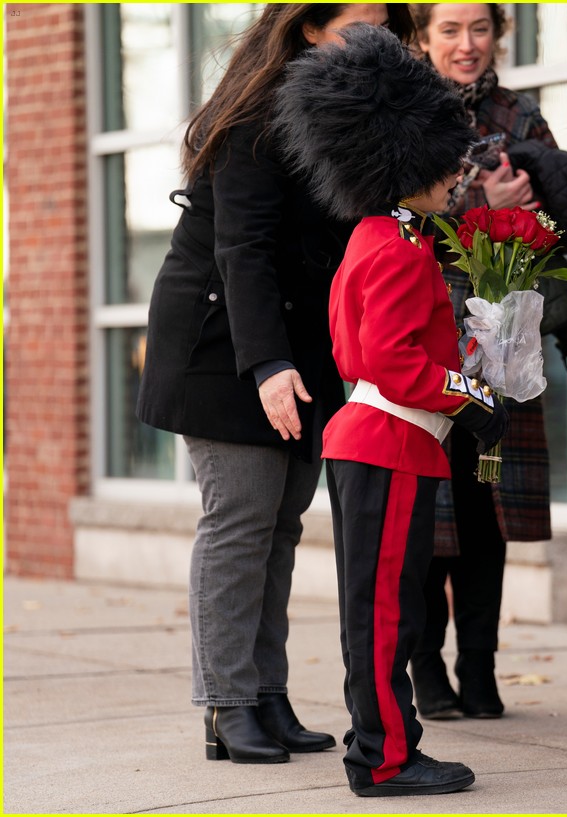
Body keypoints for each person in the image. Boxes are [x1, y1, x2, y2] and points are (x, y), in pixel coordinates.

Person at [136, 4, 414, 765]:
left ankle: (266, 693)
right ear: (309, 28)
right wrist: (266, 365)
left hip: (300, 342)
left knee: (283, 522)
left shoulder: (357, 111)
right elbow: (243, 247)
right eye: (358, 26)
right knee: (242, 518)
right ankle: (226, 703)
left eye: (386, 27)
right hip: (228, 341)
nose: (375, 40)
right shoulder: (259, 112)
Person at [273, 23, 508, 795]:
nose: (454, 178)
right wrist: (474, 396)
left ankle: (389, 742)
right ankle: (381, 756)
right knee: (384, 618)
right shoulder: (402, 247)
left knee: (382, 612)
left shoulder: (374, 236)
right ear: (411, 163)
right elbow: (395, 362)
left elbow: (364, 348)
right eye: (446, 167)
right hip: (391, 440)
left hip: (371, 438)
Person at [405, 2, 558, 721]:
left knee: (485, 510)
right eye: (449, 30)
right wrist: (480, 200)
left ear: (499, 32)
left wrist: (535, 212)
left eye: (480, 29)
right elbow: (390, 214)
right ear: (422, 37)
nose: (467, 45)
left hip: (503, 341)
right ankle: (427, 669)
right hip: (425, 336)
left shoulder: (521, 117)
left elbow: (563, 223)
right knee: (429, 515)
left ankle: (481, 667)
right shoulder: (404, 111)